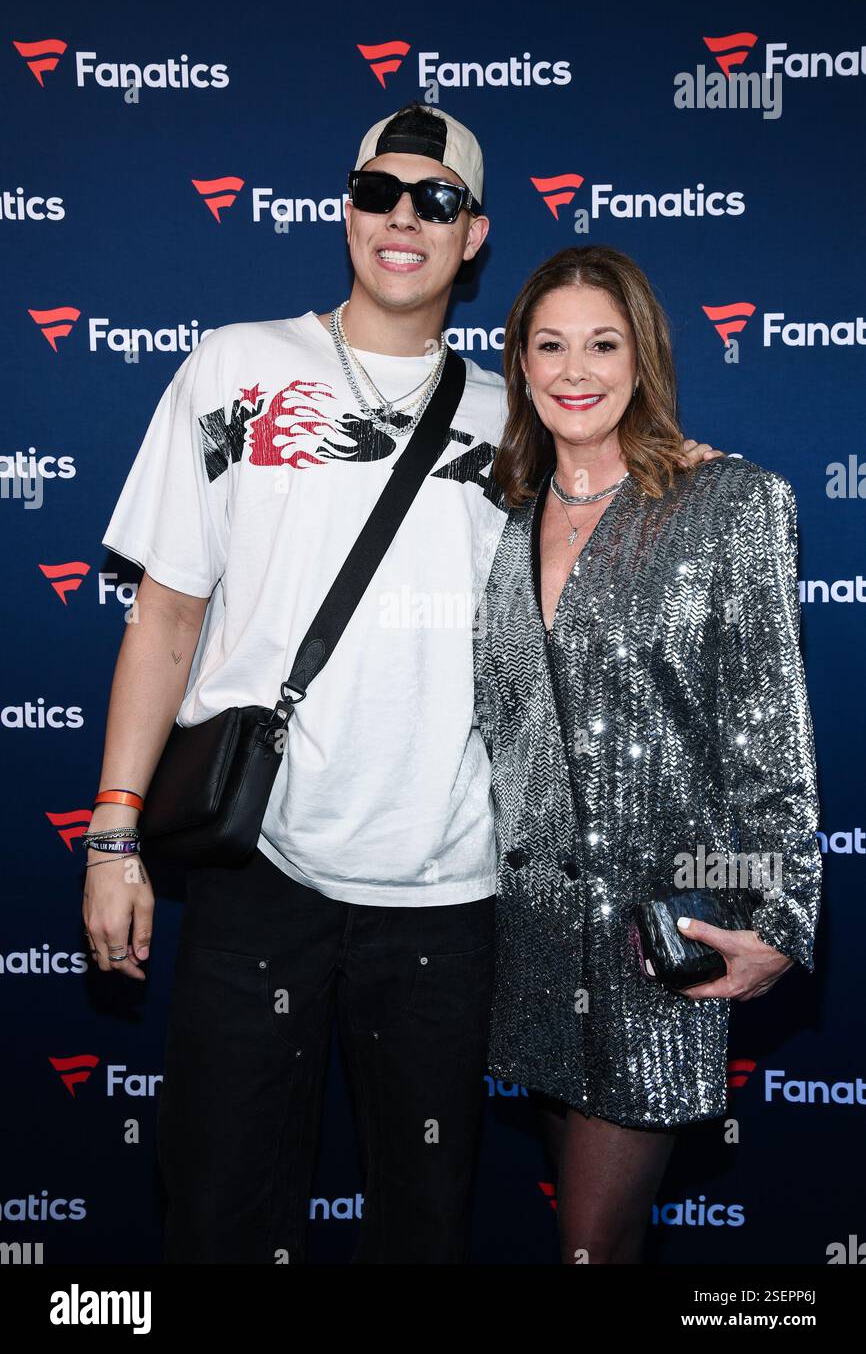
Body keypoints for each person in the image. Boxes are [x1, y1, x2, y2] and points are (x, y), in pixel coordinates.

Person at [82, 104, 720, 1265]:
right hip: (256, 867)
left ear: (472, 234)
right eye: (379, 190)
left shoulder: (522, 415)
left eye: (435, 200)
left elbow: (626, 581)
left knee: (422, 1224)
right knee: (218, 1208)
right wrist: (113, 836)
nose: (402, 218)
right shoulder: (234, 366)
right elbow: (165, 615)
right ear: (345, 206)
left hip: (447, 888)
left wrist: (694, 483)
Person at [472, 243, 823, 1264]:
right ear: (520, 365)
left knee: (591, 1240)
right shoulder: (499, 521)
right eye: (549, 345)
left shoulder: (727, 503)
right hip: (530, 937)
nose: (574, 369)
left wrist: (774, 912)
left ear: (643, 359)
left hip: (653, 937)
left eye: (600, 342)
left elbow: (769, 734)